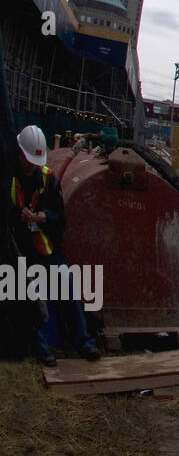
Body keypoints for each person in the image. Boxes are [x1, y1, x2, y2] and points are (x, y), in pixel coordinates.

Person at [8, 125, 99, 364]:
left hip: (46, 250)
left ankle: (84, 342)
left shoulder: (49, 180)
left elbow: (61, 221)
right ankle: (42, 347)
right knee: (25, 292)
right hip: (17, 251)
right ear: (19, 154)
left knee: (67, 285)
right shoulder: (9, 179)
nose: (32, 166)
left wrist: (45, 217)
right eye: (29, 161)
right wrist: (17, 215)